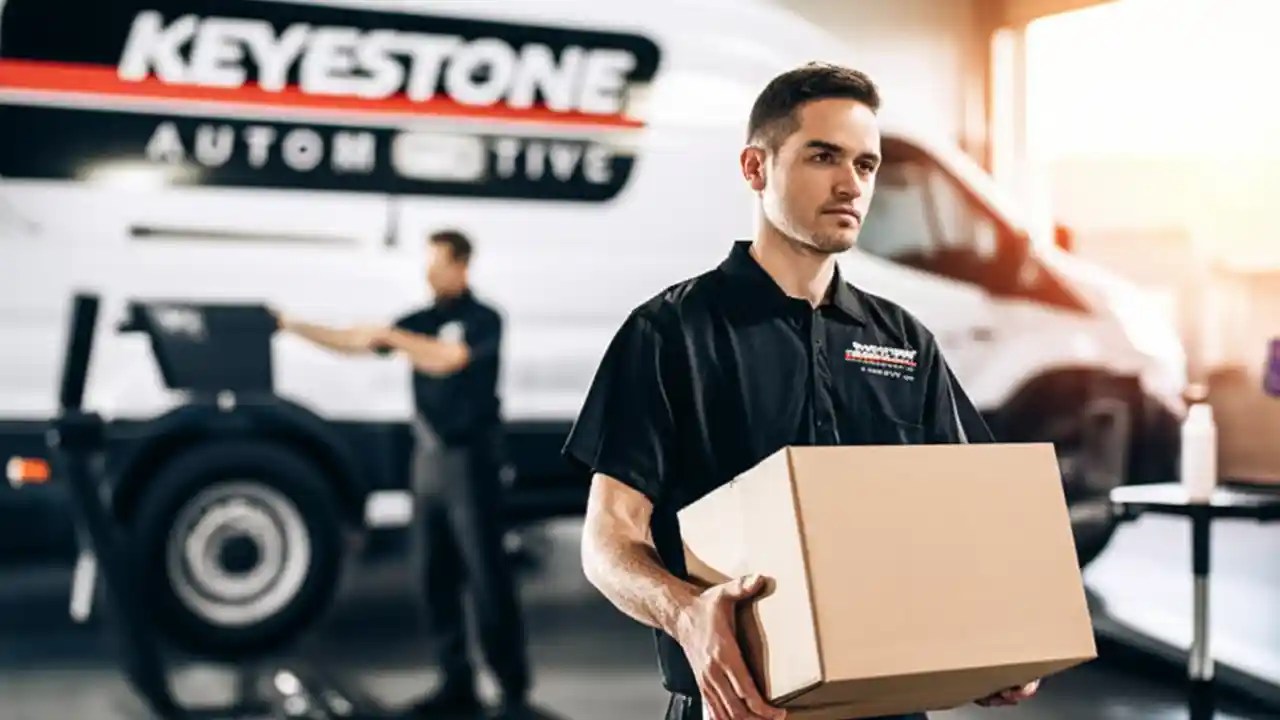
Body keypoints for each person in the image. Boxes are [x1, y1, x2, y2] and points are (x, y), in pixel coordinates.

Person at [563, 63, 1042, 720]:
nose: (851, 183)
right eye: (824, 157)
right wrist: (686, 615)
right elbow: (608, 540)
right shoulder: (670, 334)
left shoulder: (905, 341)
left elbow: (974, 520)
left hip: (888, 704)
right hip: (743, 706)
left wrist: (1001, 638)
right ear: (755, 169)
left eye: (868, 165)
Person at [276, 229, 533, 720]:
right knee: (433, 575)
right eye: (427, 265)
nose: (429, 274)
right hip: (428, 462)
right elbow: (353, 341)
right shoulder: (420, 321)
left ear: (462, 265)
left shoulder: (483, 320)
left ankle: (512, 691)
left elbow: (448, 360)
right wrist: (292, 325)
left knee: (486, 577)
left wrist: (394, 338)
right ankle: (456, 683)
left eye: (438, 265)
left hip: (471, 461)